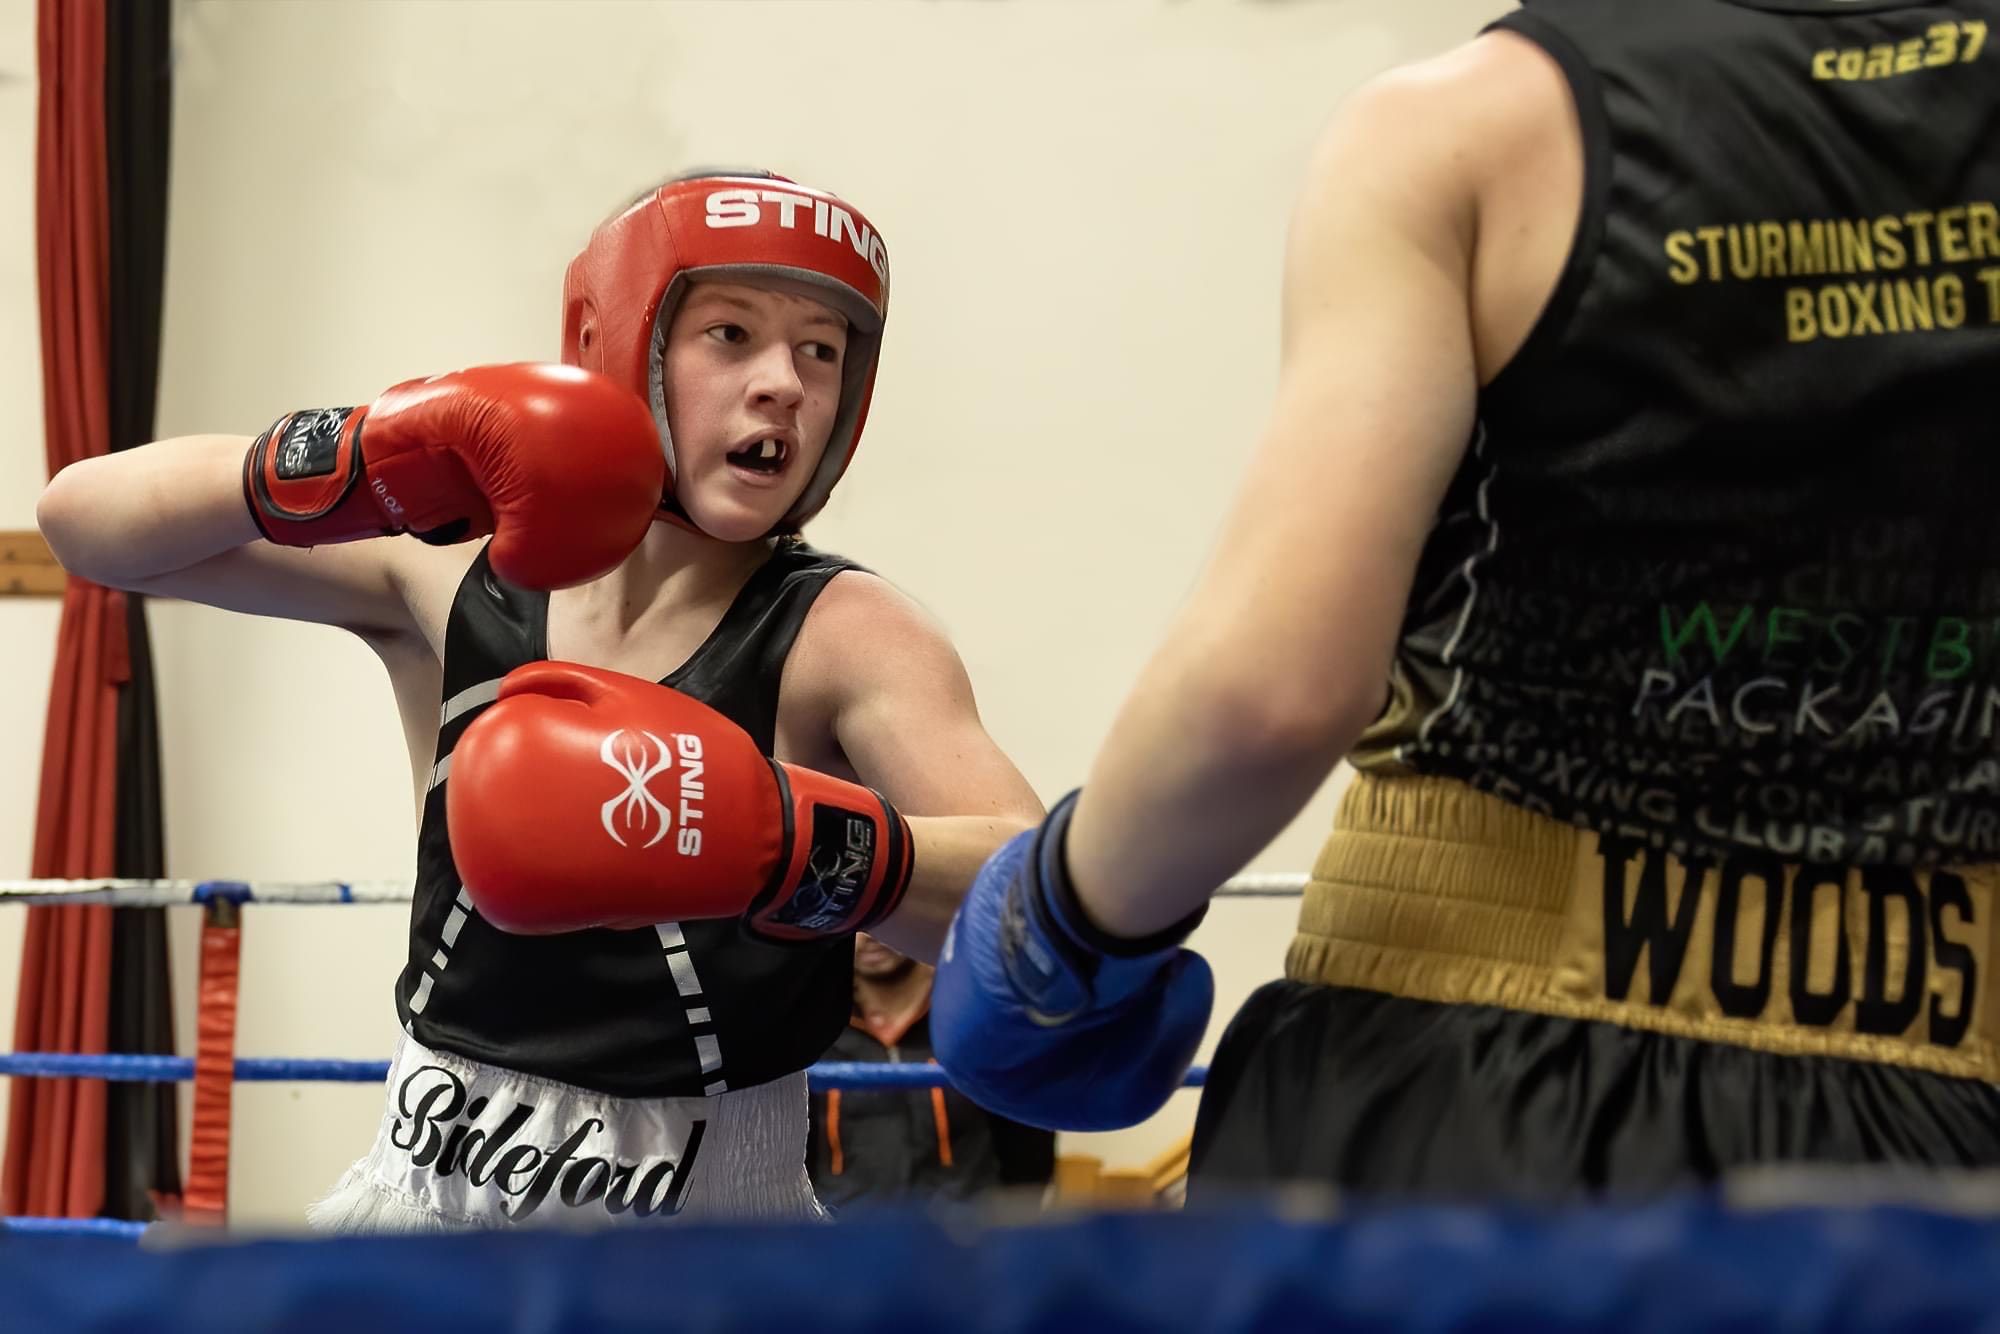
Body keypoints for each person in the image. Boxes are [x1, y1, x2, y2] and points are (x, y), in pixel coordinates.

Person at [930, 0, 2000, 1197]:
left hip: (1465, 1073)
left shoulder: (1469, 128)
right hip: (1943, 1109)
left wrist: (1062, 925)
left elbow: (1267, 696)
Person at [37, 169, 1043, 1229]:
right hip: (421, 1190)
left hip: (711, 1234)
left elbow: (1027, 894)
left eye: (820, 349)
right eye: (730, 332)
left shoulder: (847, 630)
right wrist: (365, 445)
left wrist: (783, 836)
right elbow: (83, 524)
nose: (781, 383)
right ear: (624, 345)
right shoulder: (450, 571)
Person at [806, 934, 1054, 1212]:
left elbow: (1029, 1155)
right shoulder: (815, 1033)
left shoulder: (975, 1021)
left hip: (964, 1243)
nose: (871, 933)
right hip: (844, 1245)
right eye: (858, 921)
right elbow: (798, 1160)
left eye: (882, 916)